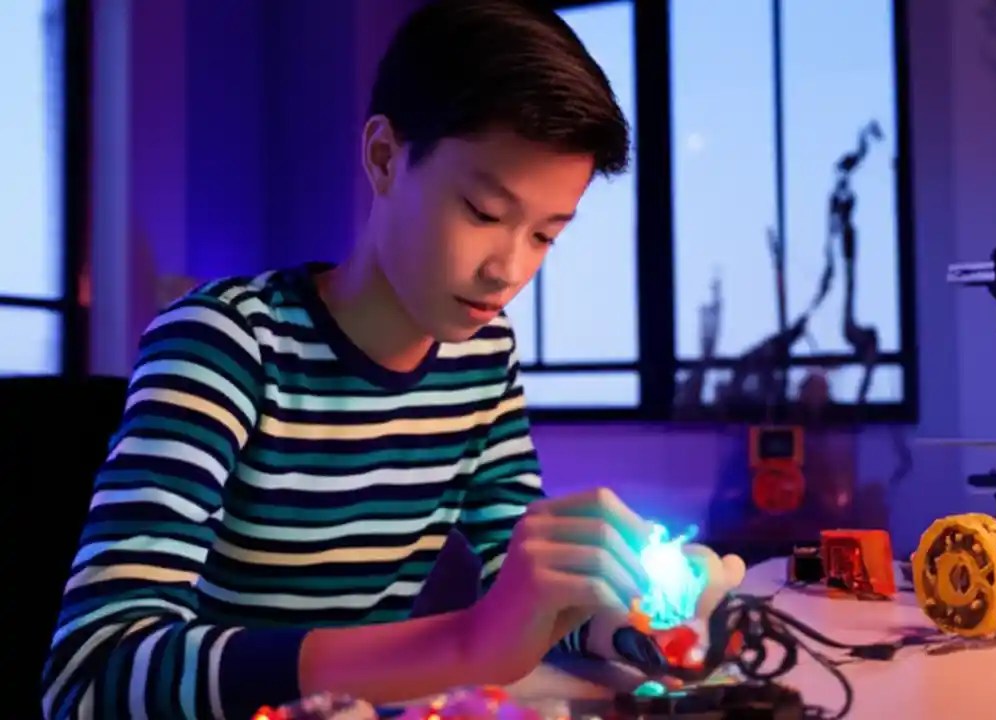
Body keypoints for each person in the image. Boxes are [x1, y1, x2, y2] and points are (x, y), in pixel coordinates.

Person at [39, 1, 745, 718]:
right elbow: (94, 674)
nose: (509, 269)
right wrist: (469, 643)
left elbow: (523, 601)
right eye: (483, 212)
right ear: (383, 157)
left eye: (545, 235)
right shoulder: (226, 342)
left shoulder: (480, 356)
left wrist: (640, 621)